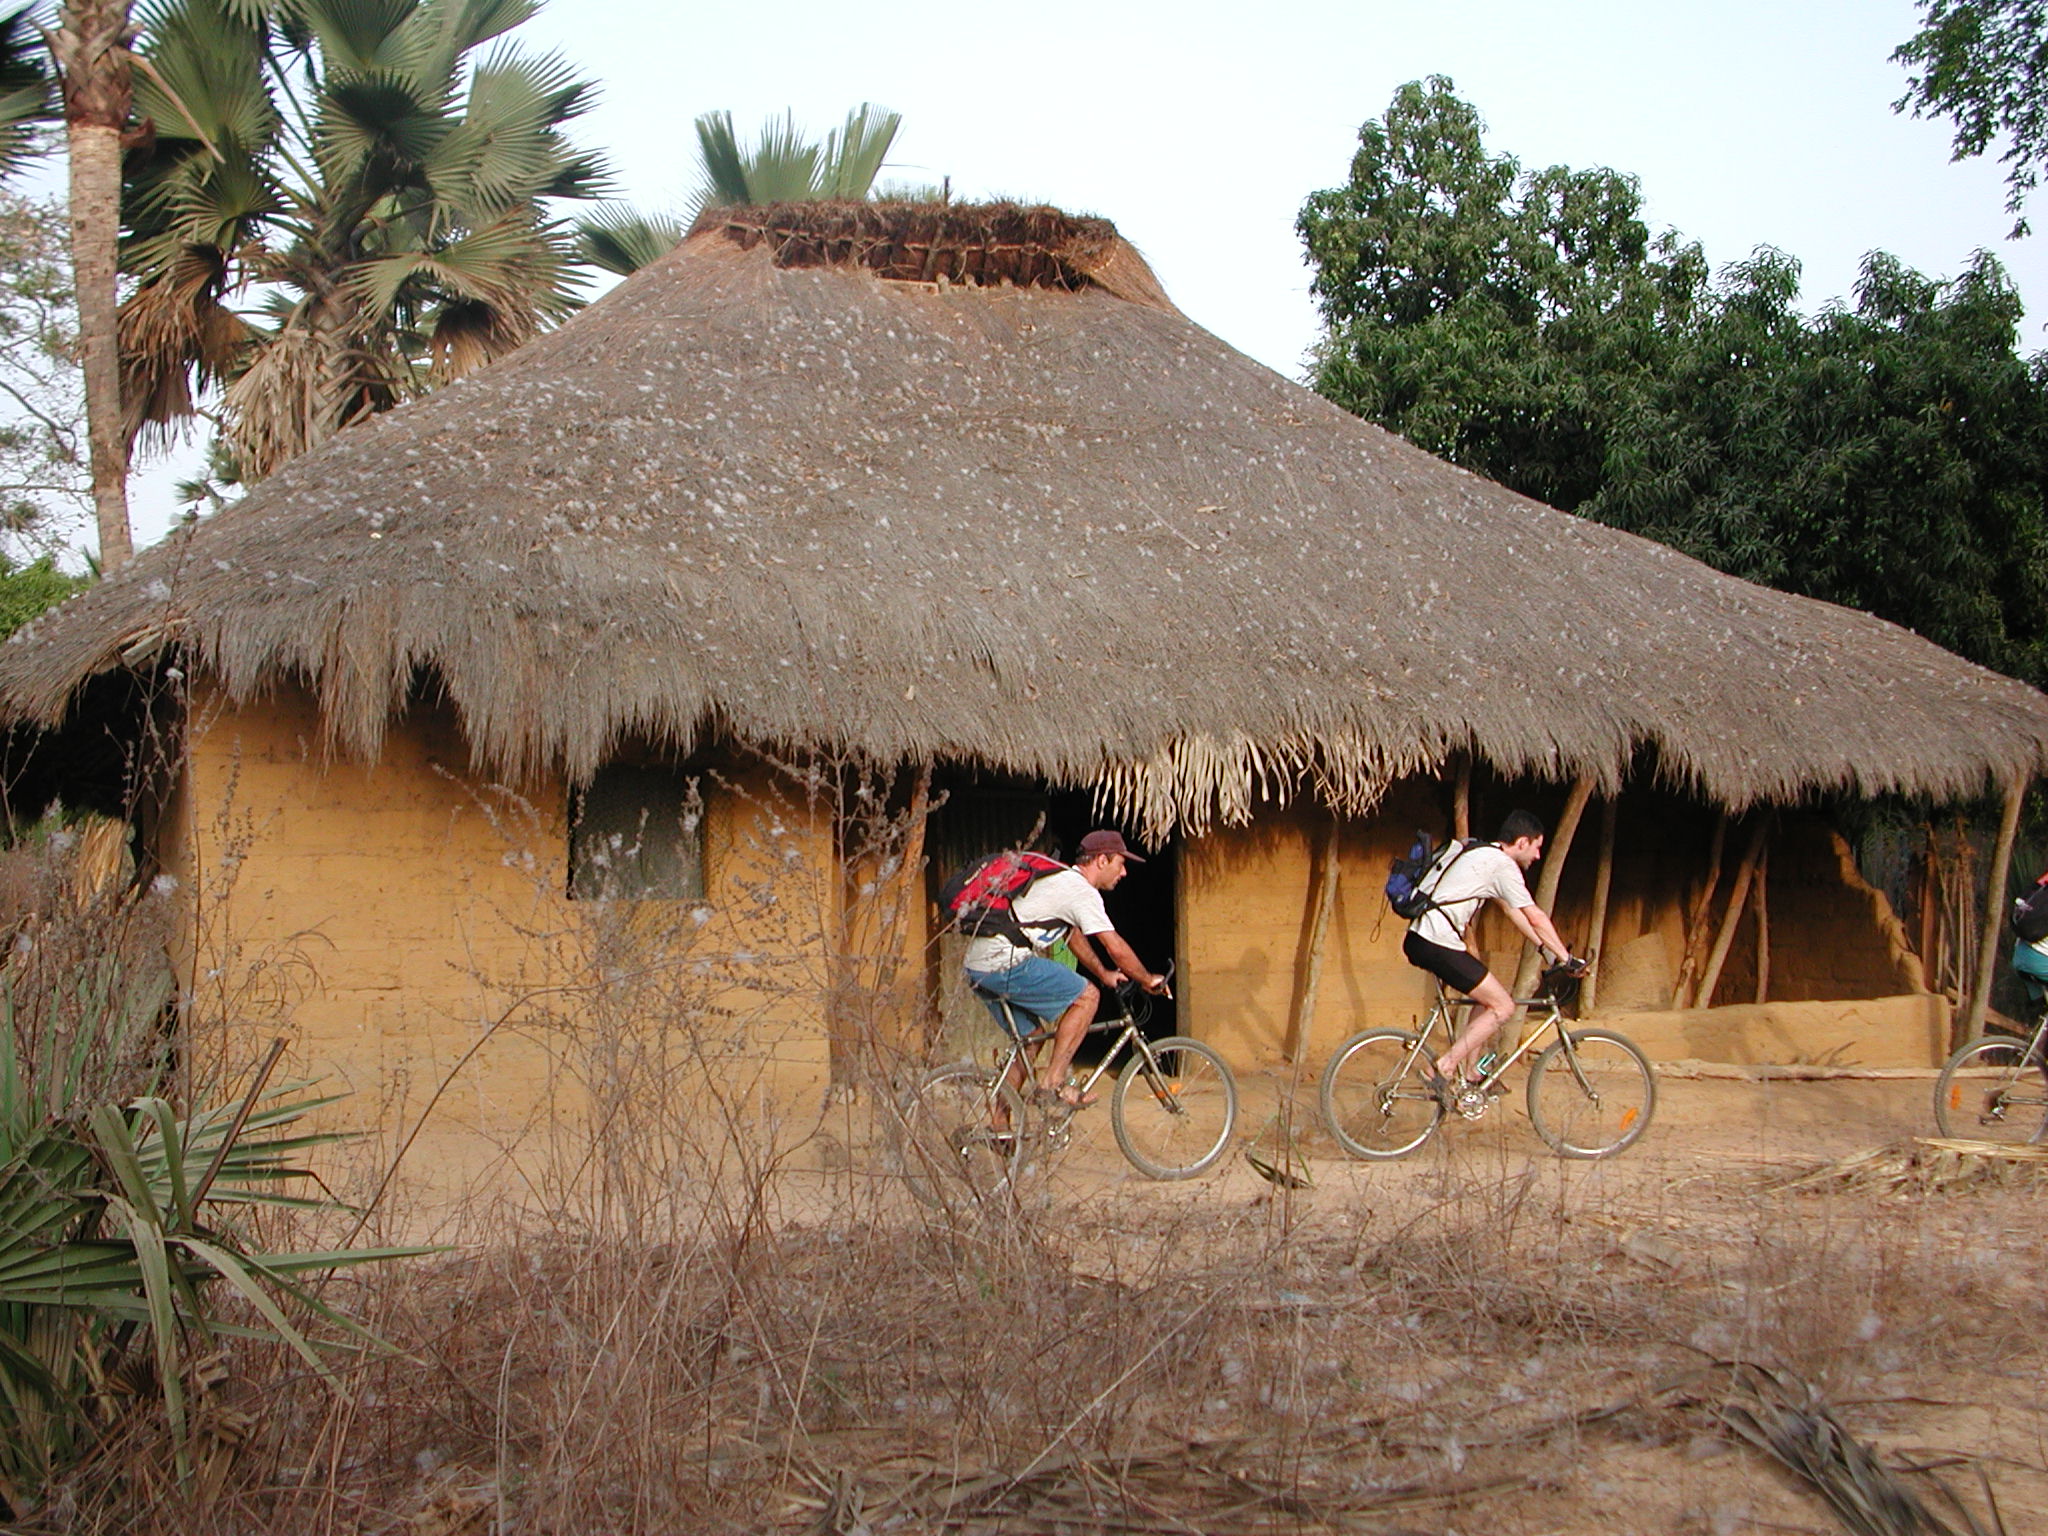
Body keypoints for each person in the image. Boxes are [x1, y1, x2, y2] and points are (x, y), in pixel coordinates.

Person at [962, 830, 1172, 1107]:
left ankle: (998, 1126)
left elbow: (1071, 935)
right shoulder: (1080, 891)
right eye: (1120, 864)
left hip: (978, 966)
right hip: (1003, 961)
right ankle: (1053, 1084)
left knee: (1032, 1039)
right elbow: (1115, 946)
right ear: (1101, 861)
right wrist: (1146, 978)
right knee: (1087, 996)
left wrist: (1104, 973)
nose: (1123, 873)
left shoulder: (1060, 880)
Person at [1402, 809, 1579, 1097]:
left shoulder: (1484, 853)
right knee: (1504, 1007)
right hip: (1437, 942)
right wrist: (1566, 957)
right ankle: (1444, 1066)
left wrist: (1545, 948)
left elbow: (1512, 911)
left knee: (1487, 998)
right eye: (1536, 848)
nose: (1536, 857)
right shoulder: (1501, 864)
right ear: (1522, 842)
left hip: (1424, 939)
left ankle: (1471, 1072)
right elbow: (1534, 915)